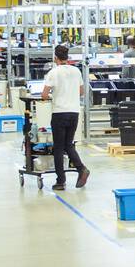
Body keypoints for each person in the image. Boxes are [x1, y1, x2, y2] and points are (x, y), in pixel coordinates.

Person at [41, 44, 90, 191]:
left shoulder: (53, 72)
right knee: (69, 145)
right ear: (67, 57)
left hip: (59, 113)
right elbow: (81, 92)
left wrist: (52, 95)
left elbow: (44, 95)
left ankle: (60, 181)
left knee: (58, 148)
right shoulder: (76, 71)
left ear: (55, 57)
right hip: (74, 113)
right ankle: (81, 169)